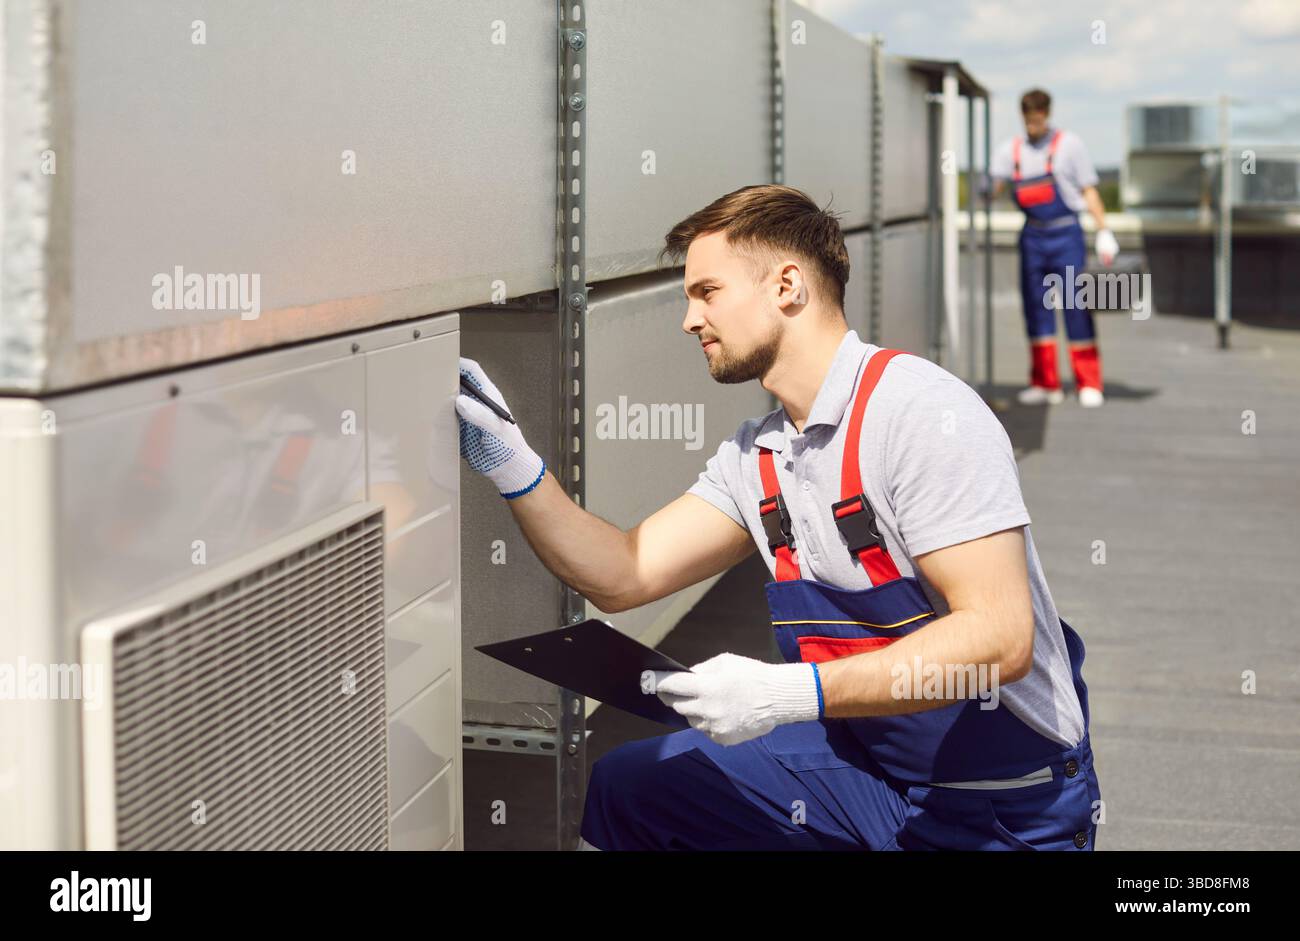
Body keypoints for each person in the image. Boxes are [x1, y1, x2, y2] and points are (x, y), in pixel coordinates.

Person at [456, 184, 1100, 850]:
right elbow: (623, 570)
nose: (688, 319)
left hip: (1005, 802)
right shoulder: (758, 457)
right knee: (635, 785)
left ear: (787, 285)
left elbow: (999, 638)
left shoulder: (921, 417)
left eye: (706, 292)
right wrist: (516, 467)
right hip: (872, 774)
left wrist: (790, 692)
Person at [991, 88, 1117, 408]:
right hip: (1033, 238)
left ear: (1047, 114)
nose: (1033, 126)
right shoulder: (1012, 151)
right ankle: (1046, 383)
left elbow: (1089, 190)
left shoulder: (1069, 146)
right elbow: (992, 186)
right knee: (1036, 309)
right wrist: (986, 185)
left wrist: (1104, 230)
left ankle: (1089, 381)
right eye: (1028, 121)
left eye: (1038, 120)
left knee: (1076, 306)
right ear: (1022, 118)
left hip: (1067, 236)